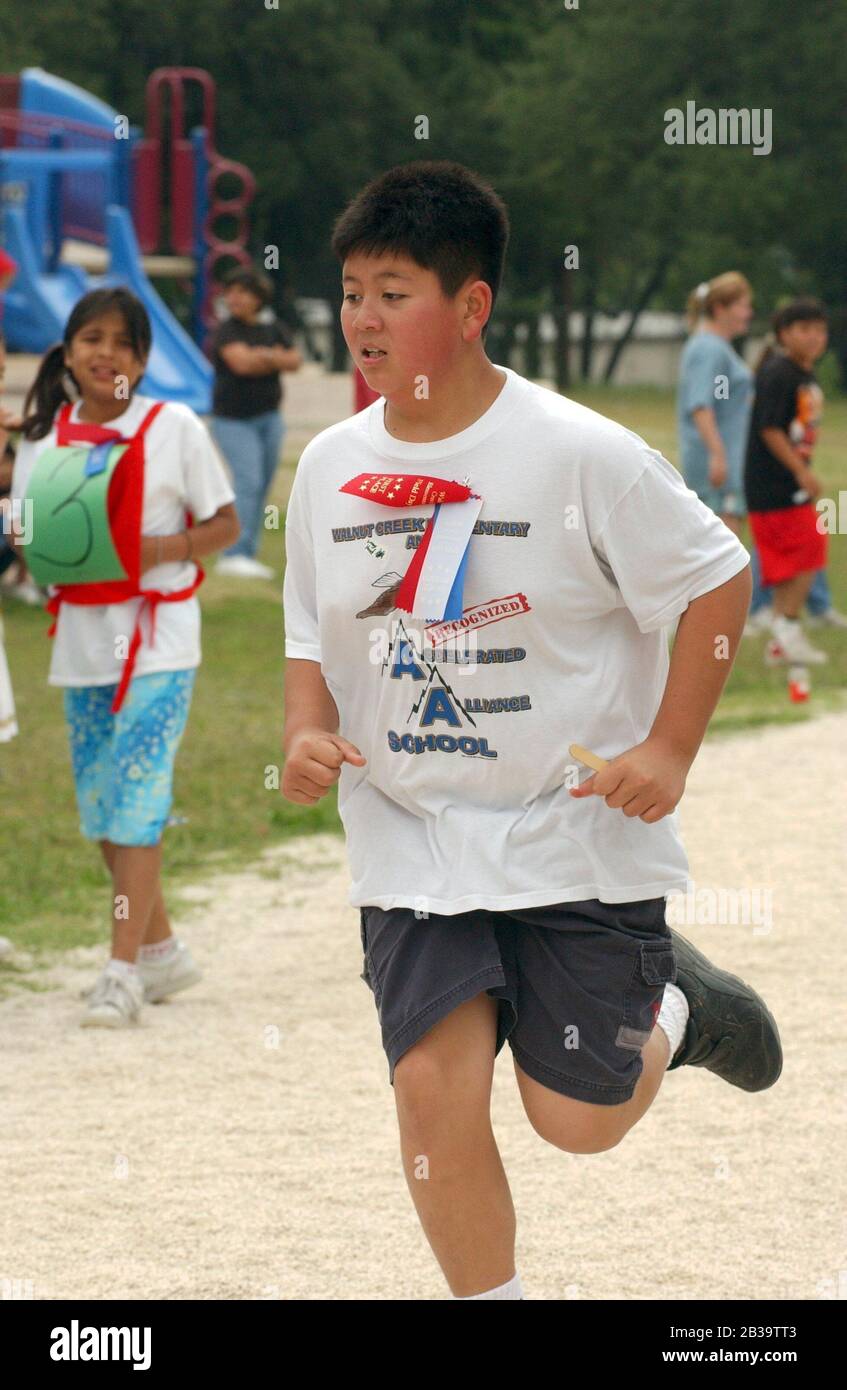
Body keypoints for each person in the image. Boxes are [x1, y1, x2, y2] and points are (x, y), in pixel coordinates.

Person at [281, 161, 782, 1302]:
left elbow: (716, 577)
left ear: (469, 308)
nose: (362, 316)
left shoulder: (579, 453)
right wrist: (308, 730)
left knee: (577, 1120)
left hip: (571, 836)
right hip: (415, 833)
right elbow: (312, 629)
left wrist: (667, 749)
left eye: (393, 290)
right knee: (430, 1091)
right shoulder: (329, 468)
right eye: (351, 289)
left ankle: (680, 1003)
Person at [10, 288, 240, 1026]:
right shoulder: (46, 441)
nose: (104, 353)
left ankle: (119, 972)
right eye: (90, 339)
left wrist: (163, 551)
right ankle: (162, 952)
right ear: (69, 351)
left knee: (138, 805)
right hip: (81, 647)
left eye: (121, 342)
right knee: (104, 813)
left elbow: (227, 523)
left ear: (142, 362)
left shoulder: (174, 427)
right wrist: (31, 541)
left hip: (158, 644)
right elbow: (26, 535)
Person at [744, 298, 840, 666]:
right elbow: (769, 428)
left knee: (804, 553)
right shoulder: (779, 373)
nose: (815, 337)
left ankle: (784, 634)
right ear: (785, 334)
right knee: (802, 551)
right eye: (805, 330)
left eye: (820, 330)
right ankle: (785, 630)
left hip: (789, 483)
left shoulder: (802, 373)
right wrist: (800, 470)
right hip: (773, 484)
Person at [208, 266, 302, 580]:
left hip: (269, 418)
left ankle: (247, 552)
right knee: (247, 483)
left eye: (242, 292)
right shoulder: (227, 330)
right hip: (233, 420)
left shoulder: (274, 326)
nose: (233, 298)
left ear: (258, 299)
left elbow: (295, 361)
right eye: (230, 291)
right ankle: (232, 554)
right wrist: (271, 356)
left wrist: (262, 355)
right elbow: (242, 364)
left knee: (261, 485)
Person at [677, 272, 754, 541]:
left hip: (724, 465)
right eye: (743, 306)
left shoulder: (716, 347)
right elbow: (701, 406)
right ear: (720, 308)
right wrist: (718, 455)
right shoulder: (709, 348)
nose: (749, 313)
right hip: (716, 469)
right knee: (723, 556)